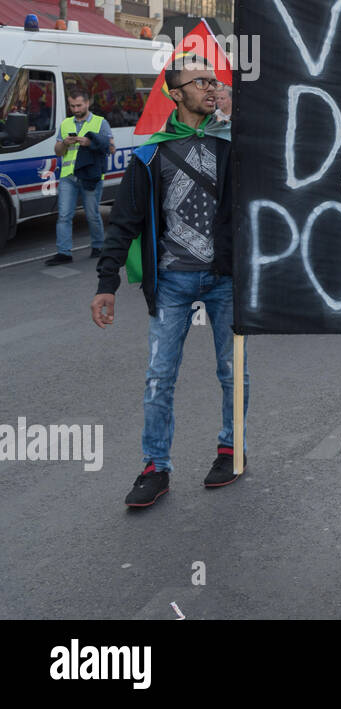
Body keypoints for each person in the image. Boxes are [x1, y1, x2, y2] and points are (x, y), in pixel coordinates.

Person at [91, 51, 249, 509]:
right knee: (159, 377)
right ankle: (155, 467)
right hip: (173, 283)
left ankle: (231, 450)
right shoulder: (149, 153)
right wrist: (107, 284)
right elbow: (123, 223)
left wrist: (239, 117)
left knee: (233, 372)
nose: (209, 86)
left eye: (212, 80)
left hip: (225, 281)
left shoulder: (231, 145)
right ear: (174, 93)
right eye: (198, 80)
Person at [45, 88, 112, 265]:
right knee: (64, 216)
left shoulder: (100, 122)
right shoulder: (66, 124)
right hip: (69, 176)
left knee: (92, 214)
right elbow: (58, 152)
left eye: (79, 105)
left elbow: (111, 148)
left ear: (87, 103)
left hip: (91, 176)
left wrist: (90, 143)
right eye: (72, 106)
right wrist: (64, 143)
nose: (75, 109)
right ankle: (64, 253)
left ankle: (98, 246)